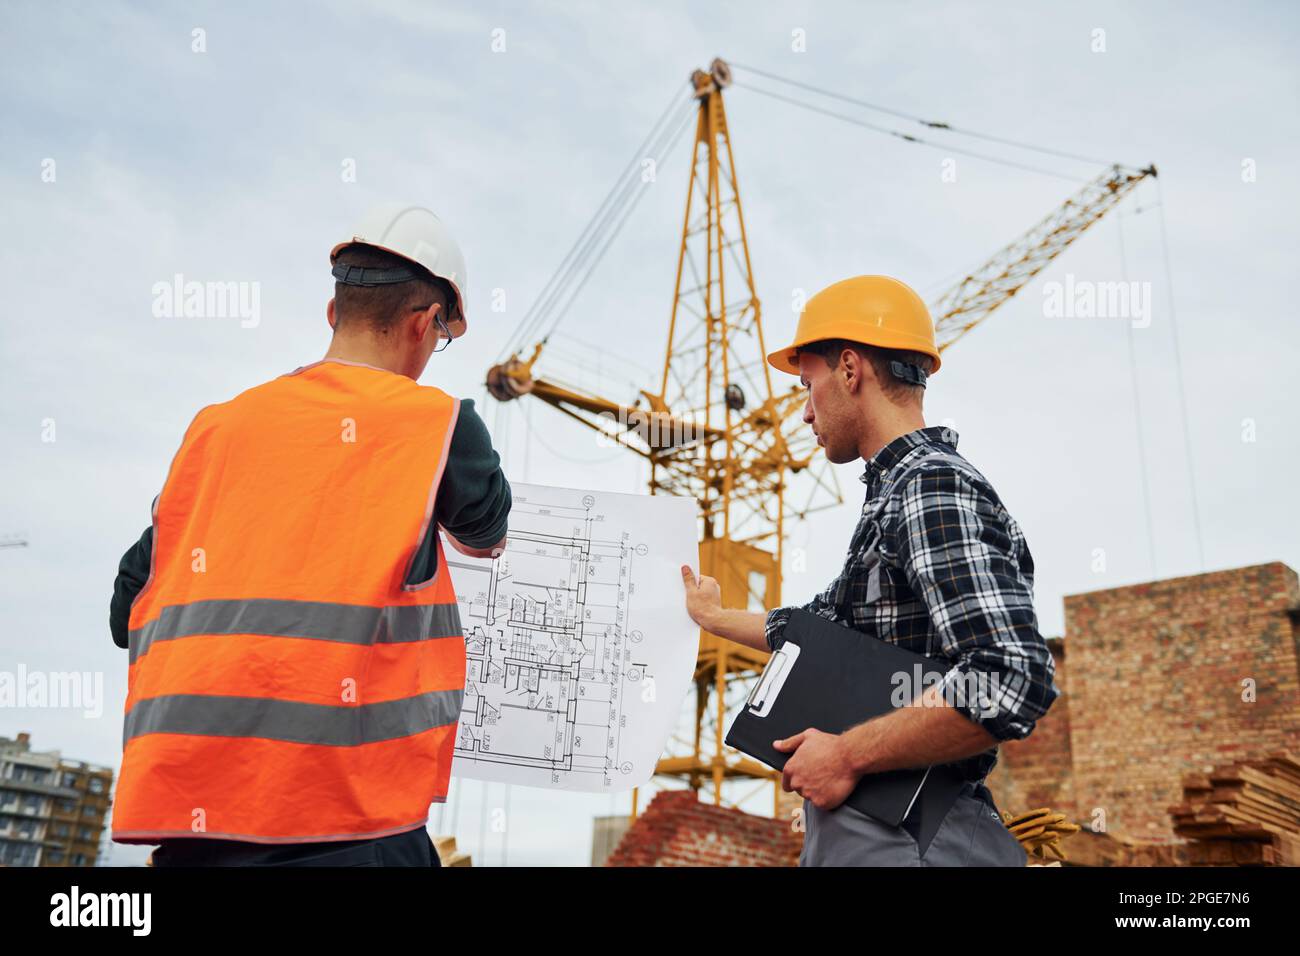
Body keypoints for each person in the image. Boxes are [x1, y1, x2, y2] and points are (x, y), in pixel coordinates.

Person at [109, 204, 510, 867]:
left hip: (195, 826)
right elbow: (487, 527)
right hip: (352, 818)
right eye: (440, 339)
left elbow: (129, 610)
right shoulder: (437, 425)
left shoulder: (216, 430)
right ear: (423, 325)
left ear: (333, 313)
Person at [680, 275, 1058, 866]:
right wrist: (714, 616)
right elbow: (813, 631)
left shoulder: (932, 486)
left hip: (909, 834)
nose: (804, 413)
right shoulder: (895, 495)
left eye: (808, 385)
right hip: (882, 829)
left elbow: (1010, 679)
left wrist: (846, 756)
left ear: (850, 369)